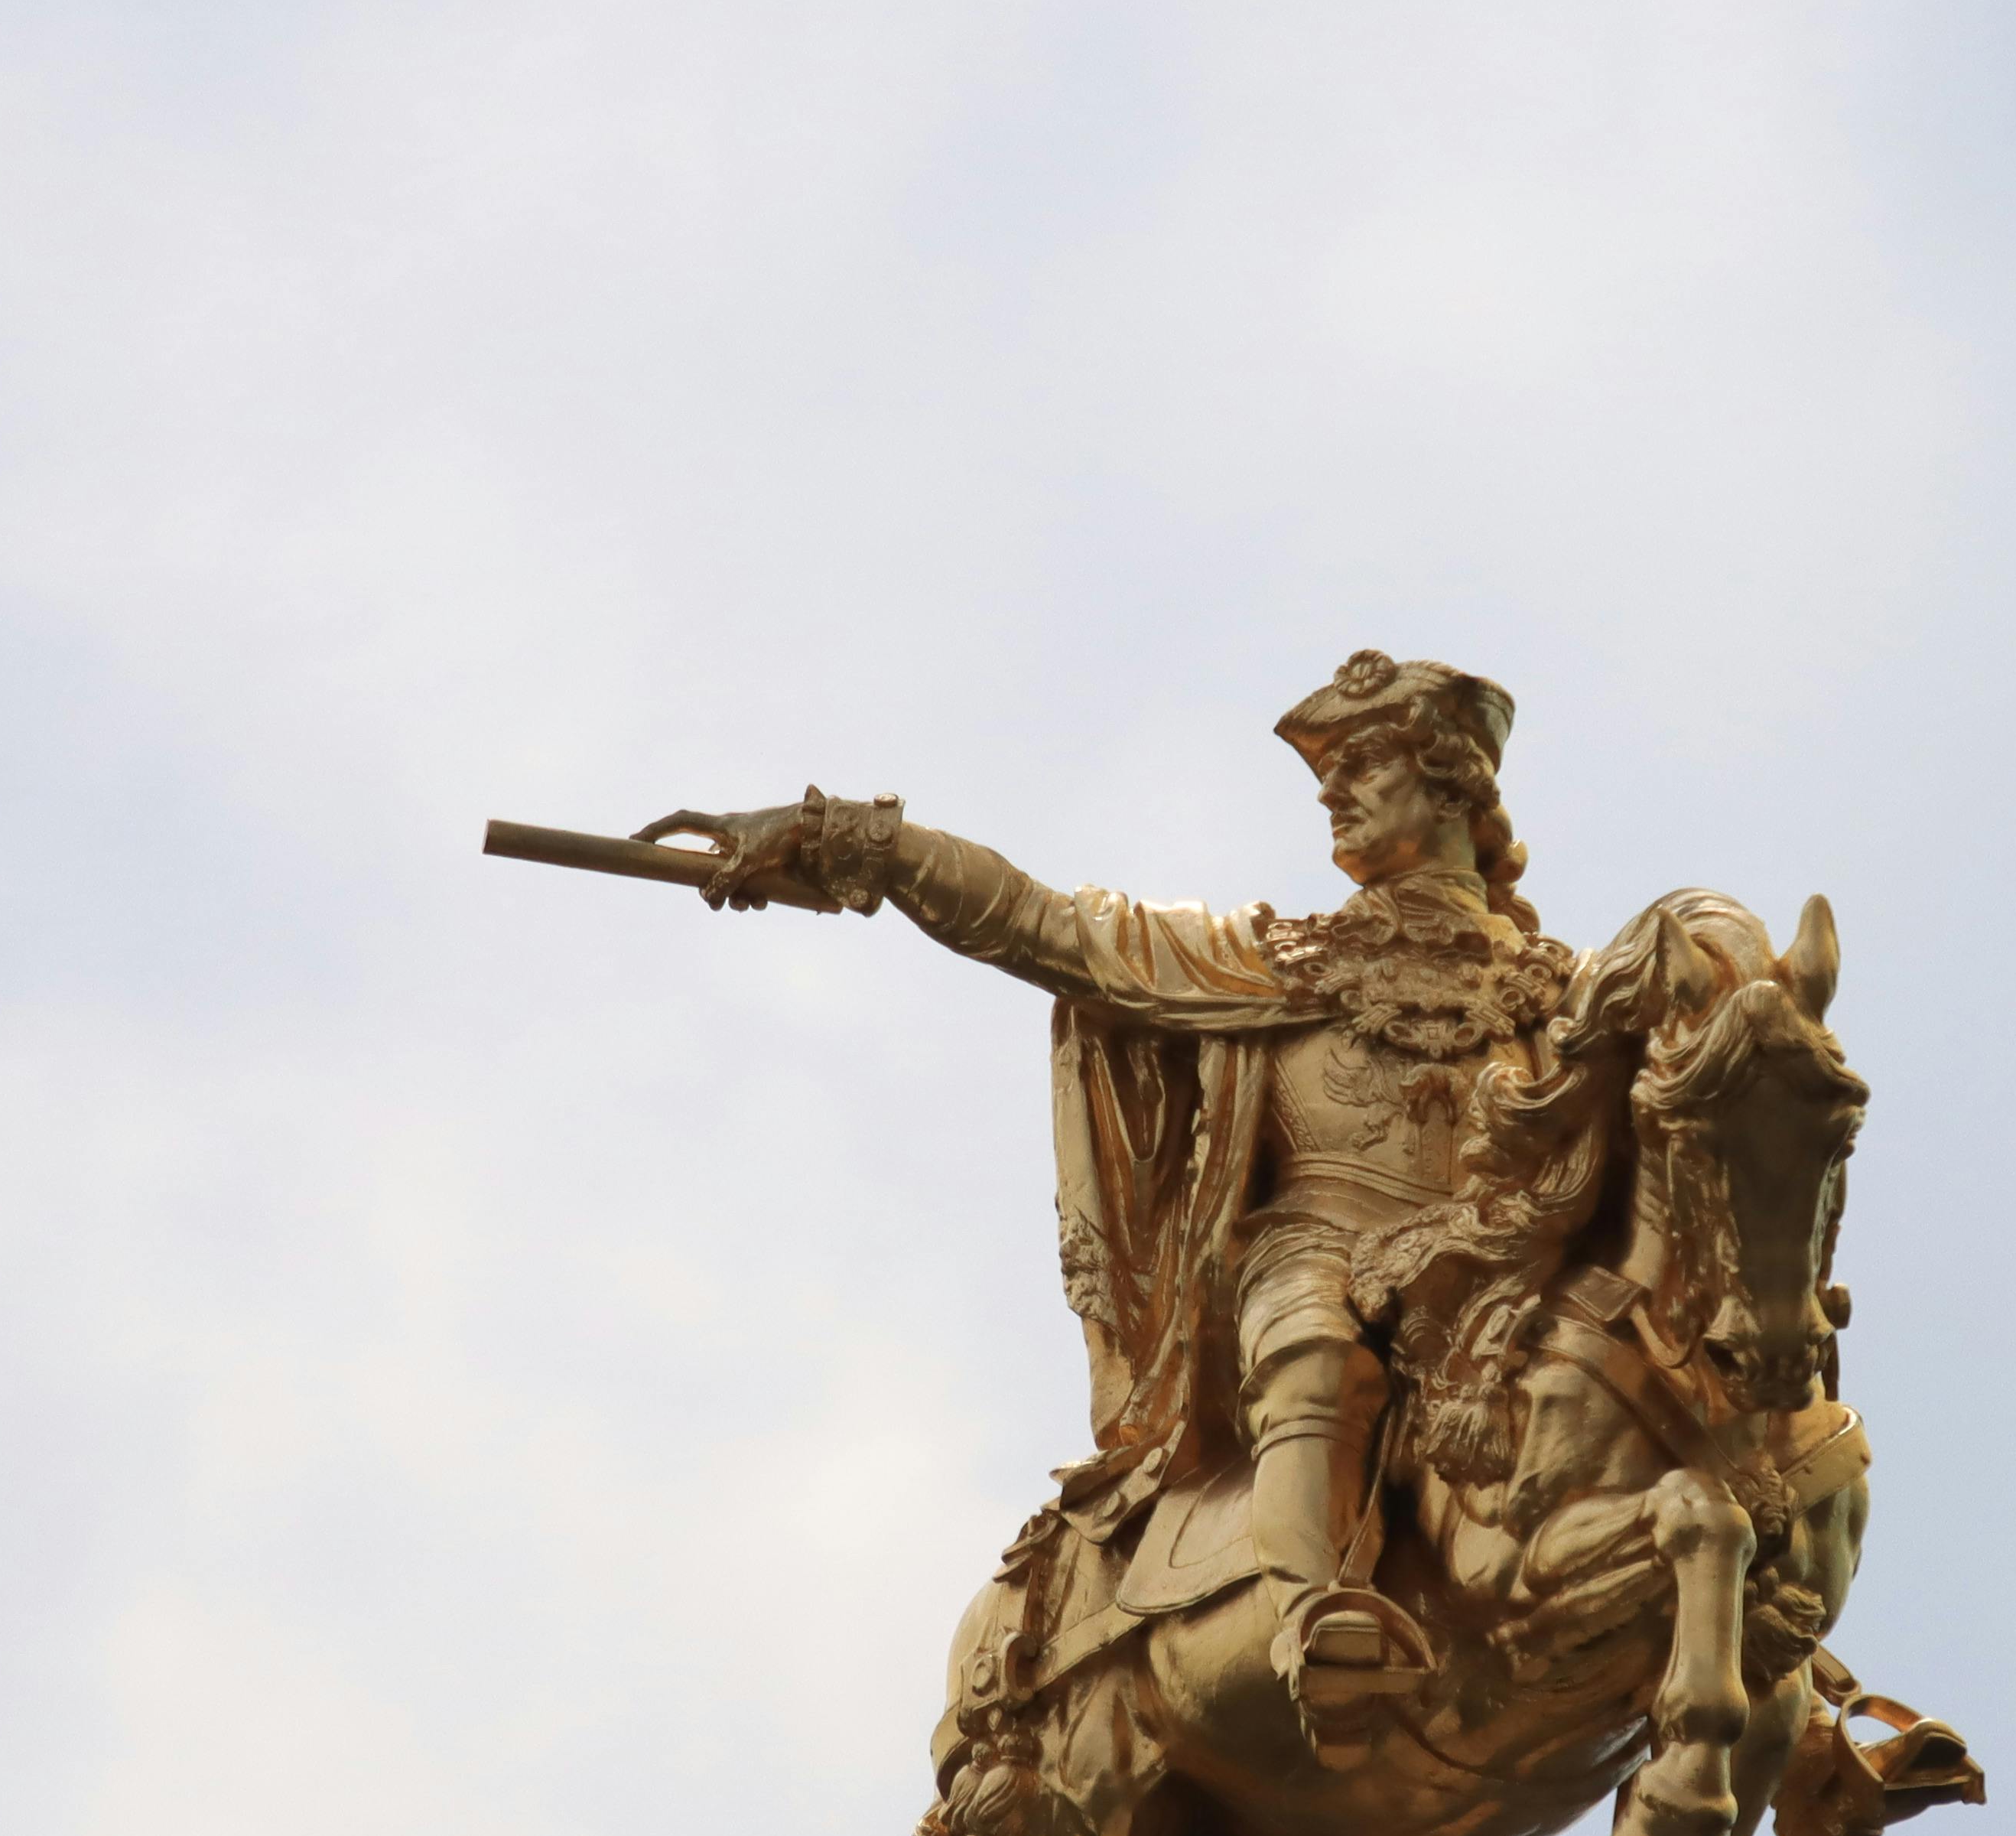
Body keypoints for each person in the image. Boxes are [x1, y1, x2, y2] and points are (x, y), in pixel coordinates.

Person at [650, 651, 1575, 1717]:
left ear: (1454, 780)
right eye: (1332, 772)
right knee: (1317, 1355)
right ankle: (1316, 1613)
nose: (1333, 789)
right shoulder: (1275, 961)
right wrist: (856, 841)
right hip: (1313, 1260)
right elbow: (1047, 925)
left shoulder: (1559, 996)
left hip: (1497, 1279)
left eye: (1363, 762)